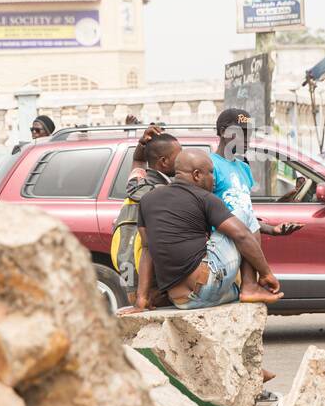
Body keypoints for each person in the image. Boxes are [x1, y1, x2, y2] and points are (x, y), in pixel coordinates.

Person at [131, 149, 281, 312]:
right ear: (197, 175)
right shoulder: (205, 198)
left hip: (181, 300)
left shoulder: (147, 200)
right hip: (207, 285)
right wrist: (266, 274)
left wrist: (142, 299)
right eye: (211, 173)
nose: (214, 180)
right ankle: (250, 286)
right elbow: (242, 235)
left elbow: (146, 250)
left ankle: (242, 291)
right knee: (243, 212)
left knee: (235, 291)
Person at [211, 107, 302, 303]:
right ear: (223, 132)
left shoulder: (243, 168)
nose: (247, 139)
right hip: (219, 245)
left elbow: (245, 213)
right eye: (241, 133)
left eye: (249, 133)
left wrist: (273, 230)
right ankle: (251, 284)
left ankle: (251, 283)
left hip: (239, 241)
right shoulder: (209, 165)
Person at [112, 129, 182, 292]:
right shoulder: (164, 193)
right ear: (164, 161)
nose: (183, 159)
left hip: (129, 269)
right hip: (152, 279)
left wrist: (141, 145)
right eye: (179, 156)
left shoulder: (136, 184)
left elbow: (137, 161)